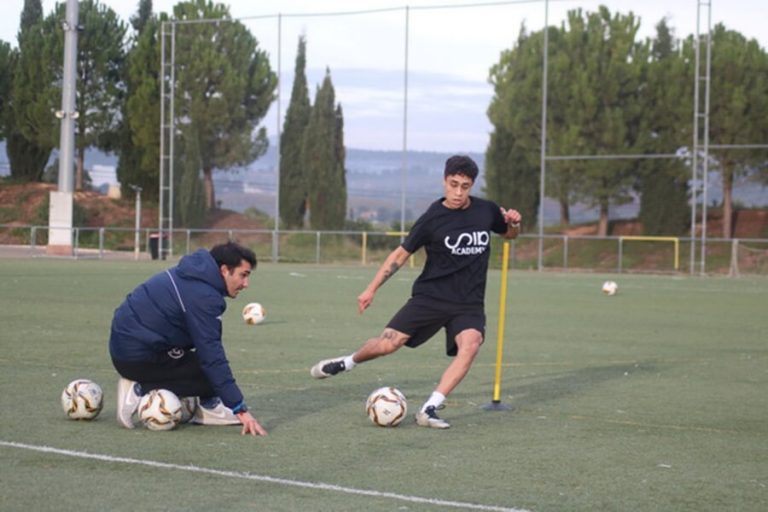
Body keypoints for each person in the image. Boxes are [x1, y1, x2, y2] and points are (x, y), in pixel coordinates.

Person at [310, 155, 522, 429]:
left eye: (465, 186)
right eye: (453, 184)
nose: (458, 192)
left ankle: (429, 409)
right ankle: (347, 362)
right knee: (388, 344)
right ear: (445, 181)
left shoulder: (486, 210)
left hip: (468, 302)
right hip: (431, 297)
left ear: (472, 185)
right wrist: (371, 289)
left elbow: (509, 234)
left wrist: (514, 223)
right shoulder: (432, 218)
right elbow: (400, 255)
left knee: (470, 345)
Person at [109, 241, 267, 437]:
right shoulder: (205, 296)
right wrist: (240, 409)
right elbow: (211, 356)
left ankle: (207, 407)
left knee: (202, 366)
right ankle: (140, 388)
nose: (246, 284)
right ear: (225, 270)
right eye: (243, 275)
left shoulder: (192, 273)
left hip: (125, 346)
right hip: (138, 357)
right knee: (210, 371)